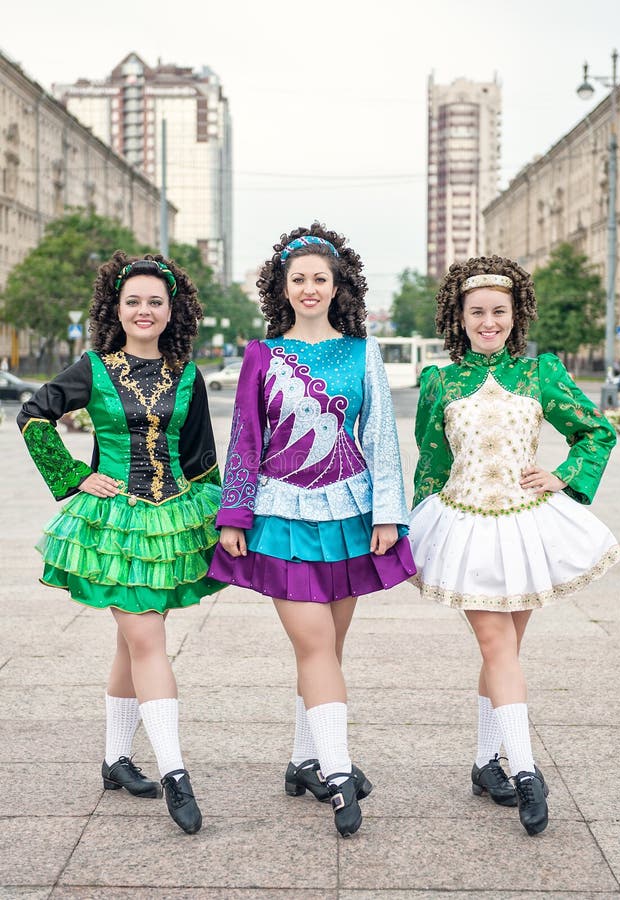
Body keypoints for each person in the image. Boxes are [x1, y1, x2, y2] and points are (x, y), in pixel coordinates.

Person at [208, 224, 415, 836]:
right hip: (280, 515)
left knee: (327, 650)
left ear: (337, 285)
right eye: (297, 279)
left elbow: (380, 436)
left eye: (319, 279)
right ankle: (340, 774)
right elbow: (247, 437)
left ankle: (305, 759)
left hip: (351, 517)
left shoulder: (362, 352)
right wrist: (234, 516)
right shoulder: (261, 355)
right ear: (281, 287)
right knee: (315, 646)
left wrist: (387, 514)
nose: (308, 288)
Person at [410, 256, 620, 836]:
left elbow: (595, 429)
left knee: (504, 652)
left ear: (514, 315)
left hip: (527, 526)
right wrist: (417, 533)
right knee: (497, 643)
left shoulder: (541, 373)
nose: (488, 322)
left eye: (498, 312)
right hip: (465, 524)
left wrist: (565, 475)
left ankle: (485, 762)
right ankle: (527, 771)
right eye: (476, 312)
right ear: (460, 317)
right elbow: (431, 462)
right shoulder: (440, 381)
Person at [18, 252, 226, 834]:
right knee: (149, 641)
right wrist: (75, 475)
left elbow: (202, 458)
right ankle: (177, 773)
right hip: (114, 525)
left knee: (131, 643)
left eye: (154, 301)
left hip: (173, 521)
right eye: (132, 300)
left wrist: (226, 522)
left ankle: (114, 759)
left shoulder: (188, 374)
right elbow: (34, 414)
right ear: (116, 308)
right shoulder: (94, 368)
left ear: (171, 311)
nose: (143, 310)